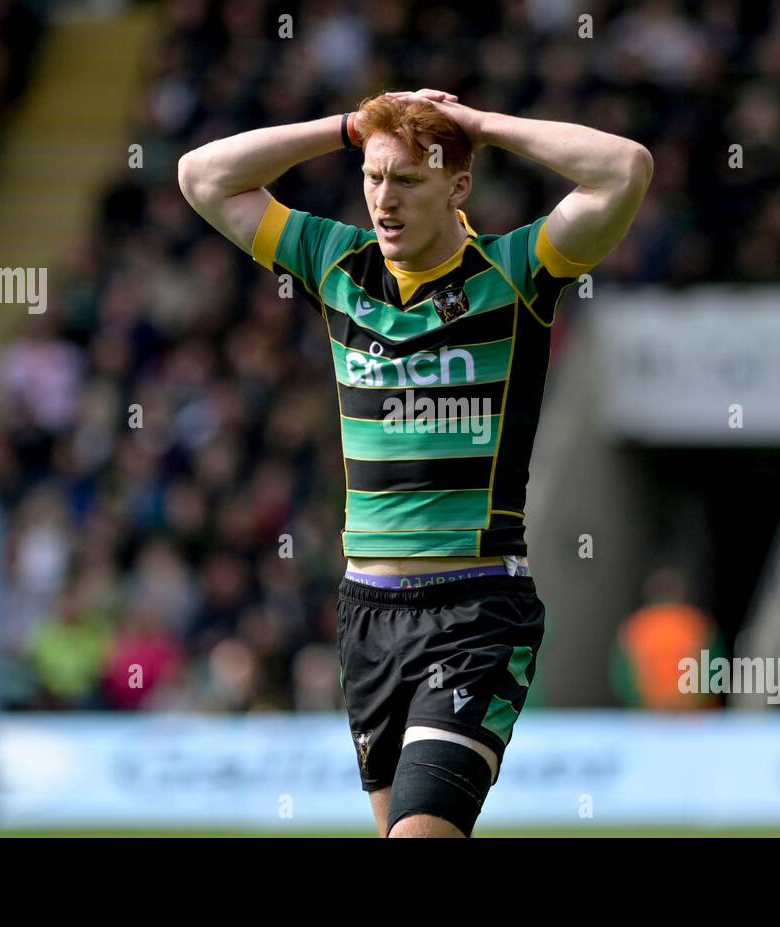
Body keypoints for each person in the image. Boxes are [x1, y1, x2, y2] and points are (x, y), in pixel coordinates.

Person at [178, 88, 652, 836]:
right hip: (367, 615)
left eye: (408, 180)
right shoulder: (337, 265)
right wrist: (343, 127)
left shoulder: (517, 273)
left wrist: (483, 127)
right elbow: (202, 176)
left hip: (474, 611)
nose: (383, 200)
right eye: (372, 177)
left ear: (457, 186)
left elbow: (624, 167)